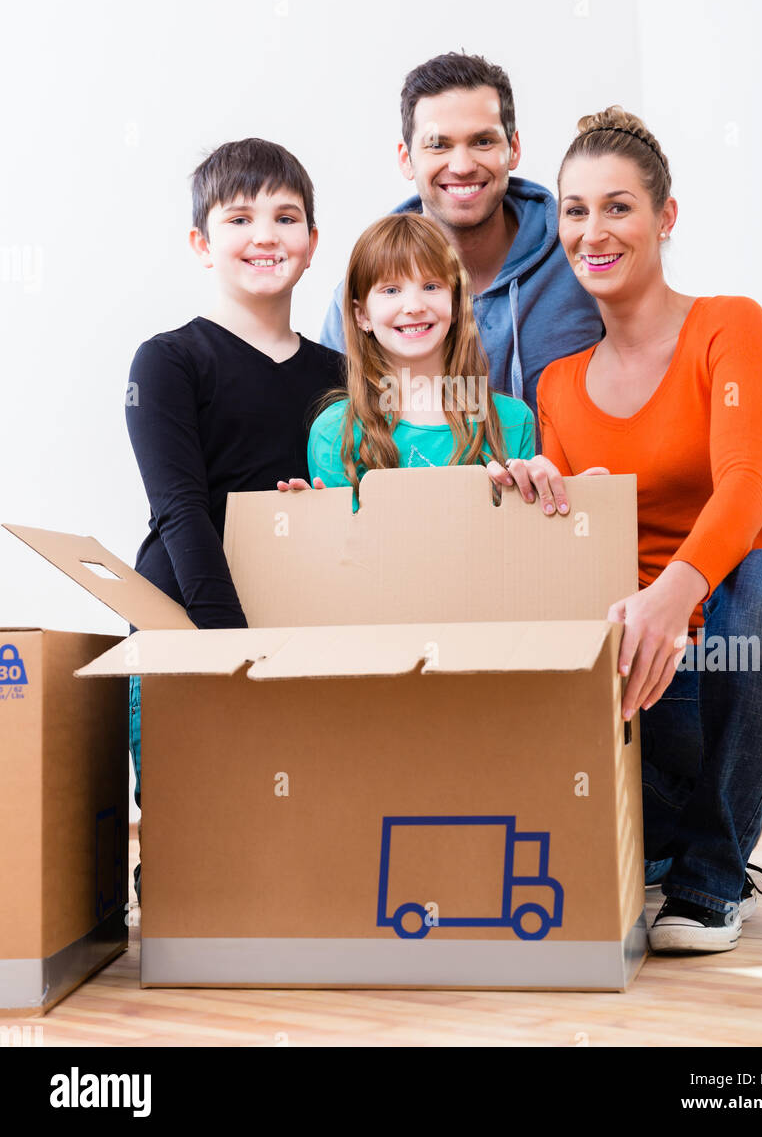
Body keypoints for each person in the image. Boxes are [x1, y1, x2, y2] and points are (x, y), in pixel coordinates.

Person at [493, 105, 762, 954]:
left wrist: (670, 595)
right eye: (577, 210)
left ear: (665, 217)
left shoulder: (728, 326)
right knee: (539, 697)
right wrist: (530, 488)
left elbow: (745, 485)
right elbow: (577, 542)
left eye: (619, 206)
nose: (594, 229)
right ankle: (674, 838)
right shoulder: (556, 385)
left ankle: (710, 877)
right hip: (674, 688)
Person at [125, 137, 344, 899]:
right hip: (185, 621)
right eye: (240, 216)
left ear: (312, 245)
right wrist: (230, 652)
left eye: (287, 218)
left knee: (300, 859)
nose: (265, 236)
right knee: (198, 865)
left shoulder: (339, 377)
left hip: (304, 624)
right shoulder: (168, 361)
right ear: (201, 241)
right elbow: (180, 508)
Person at [319, 51, 602, 427]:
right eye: (438, 145)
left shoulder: (582, 263)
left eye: (483, 141)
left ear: (513, 149)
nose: (463, 165)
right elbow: (334, 435)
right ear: (406, 159)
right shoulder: (364, 297)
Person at [280, 214, 535, 500]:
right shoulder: (334, 432)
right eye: (391, 290)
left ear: (455, 302)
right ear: (362, 315)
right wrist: (317, 526)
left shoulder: (513, 421)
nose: (414, 306)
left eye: (431, 286)